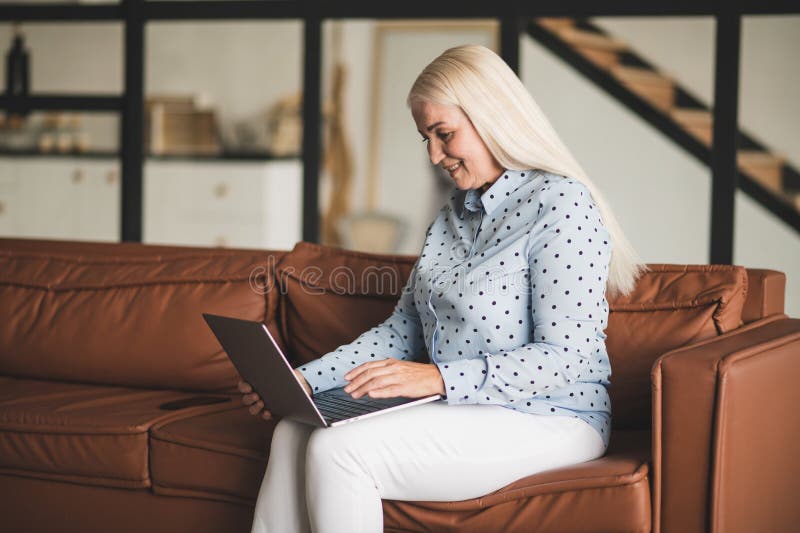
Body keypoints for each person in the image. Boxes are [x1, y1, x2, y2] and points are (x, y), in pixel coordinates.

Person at [239, 44, 645, 533]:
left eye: (444, 134)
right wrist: (305, 380)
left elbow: (567, 357)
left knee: (339, 451)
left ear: (492, 118)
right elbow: (402, 329)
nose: (434, 154)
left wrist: (438, 380)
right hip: (461, 407)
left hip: (551, 415)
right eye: (425, 138)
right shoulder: (453, 216)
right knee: (292, 429)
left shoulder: (562, 206)